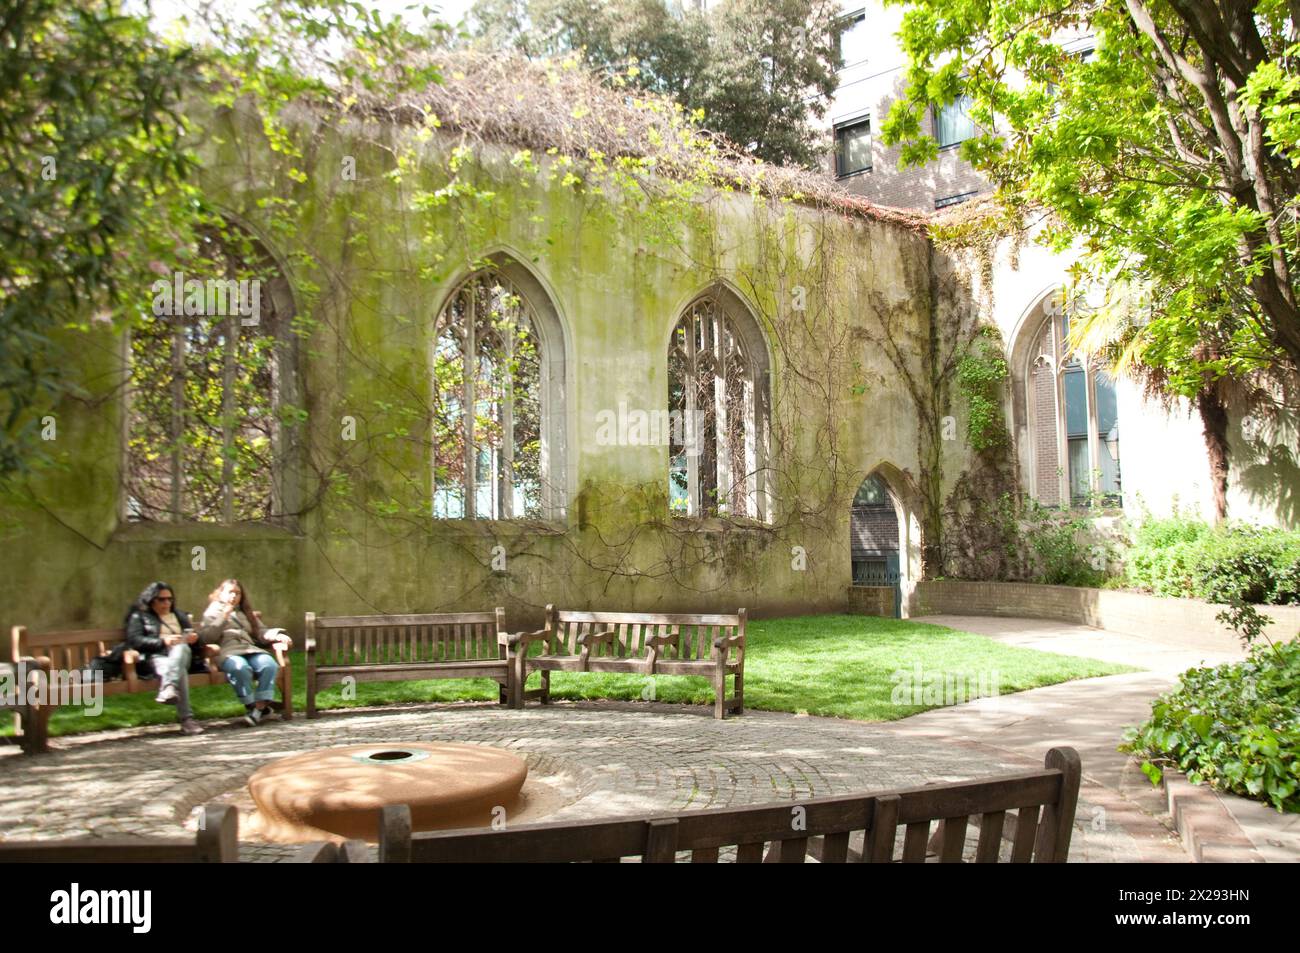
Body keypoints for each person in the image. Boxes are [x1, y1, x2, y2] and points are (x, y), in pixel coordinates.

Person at [199, 579, 291, 726]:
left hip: (249, 648)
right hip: (227, 651)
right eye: (230, 592)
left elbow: (261, 631)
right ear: (221, 593)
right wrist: (224, 616)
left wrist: (277, 635)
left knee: (269, 665)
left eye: (238, 593)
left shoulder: (244, 612)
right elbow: (206, 637)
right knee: (240, 668)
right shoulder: (212, 612)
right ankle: (255, 708)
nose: (234, 596)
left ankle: (258, 710)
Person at [121, 581, 208, 736]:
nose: (167, 603)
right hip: (156, 658)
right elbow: (134, 641)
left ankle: (168, 687)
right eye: (162, 599)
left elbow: (197, 643)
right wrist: (163, 641)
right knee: (177, 671)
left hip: (183, 654)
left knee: (181, 648)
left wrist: (195, 639)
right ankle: (187, 720)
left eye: (170, 599)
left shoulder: (179, 615)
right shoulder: (139, 617)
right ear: (151, 599)